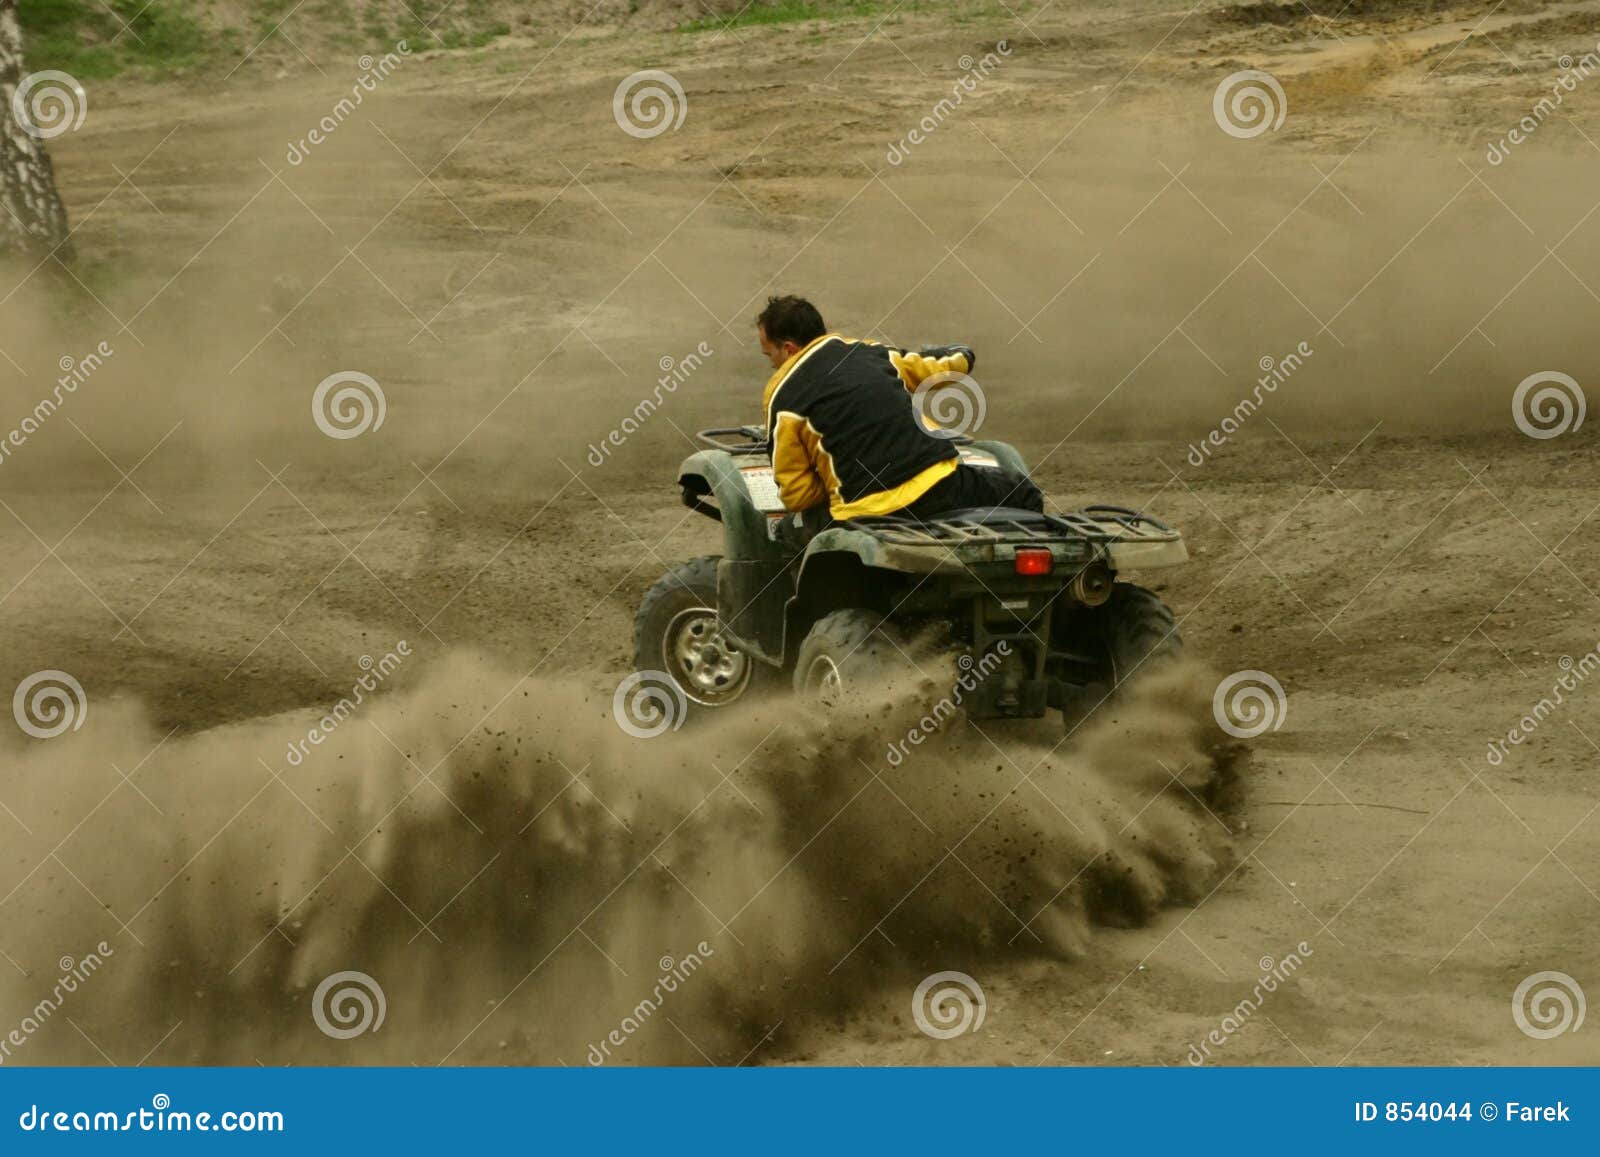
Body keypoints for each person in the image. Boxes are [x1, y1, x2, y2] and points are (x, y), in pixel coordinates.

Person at [756, 295, 1043, 528]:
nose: (771, 364)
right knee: (1024, 494)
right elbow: (937, 367)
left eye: (769, 355)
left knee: (787, 531)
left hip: (864, 513)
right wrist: (964, 357)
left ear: (789, 349)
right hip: (939, 488)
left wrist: (832, 480)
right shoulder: (869, 352)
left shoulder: (782, 395)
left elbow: (796, 494)